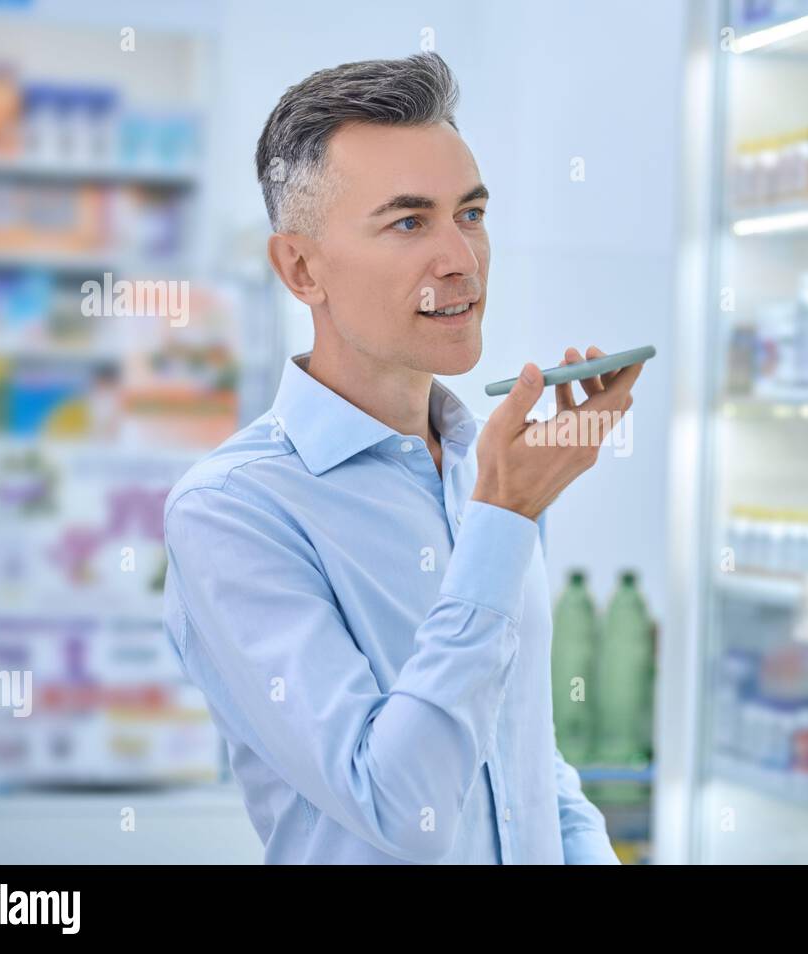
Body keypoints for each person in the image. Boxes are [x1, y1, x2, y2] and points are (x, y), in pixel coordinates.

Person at [161, 52, 644, 864]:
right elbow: (397, 806)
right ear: (301, 268)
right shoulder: (232, 511)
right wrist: (504, 520)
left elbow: (529, 763)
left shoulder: (482, 469)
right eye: (409, 222)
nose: (461, 259)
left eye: (473, 212)